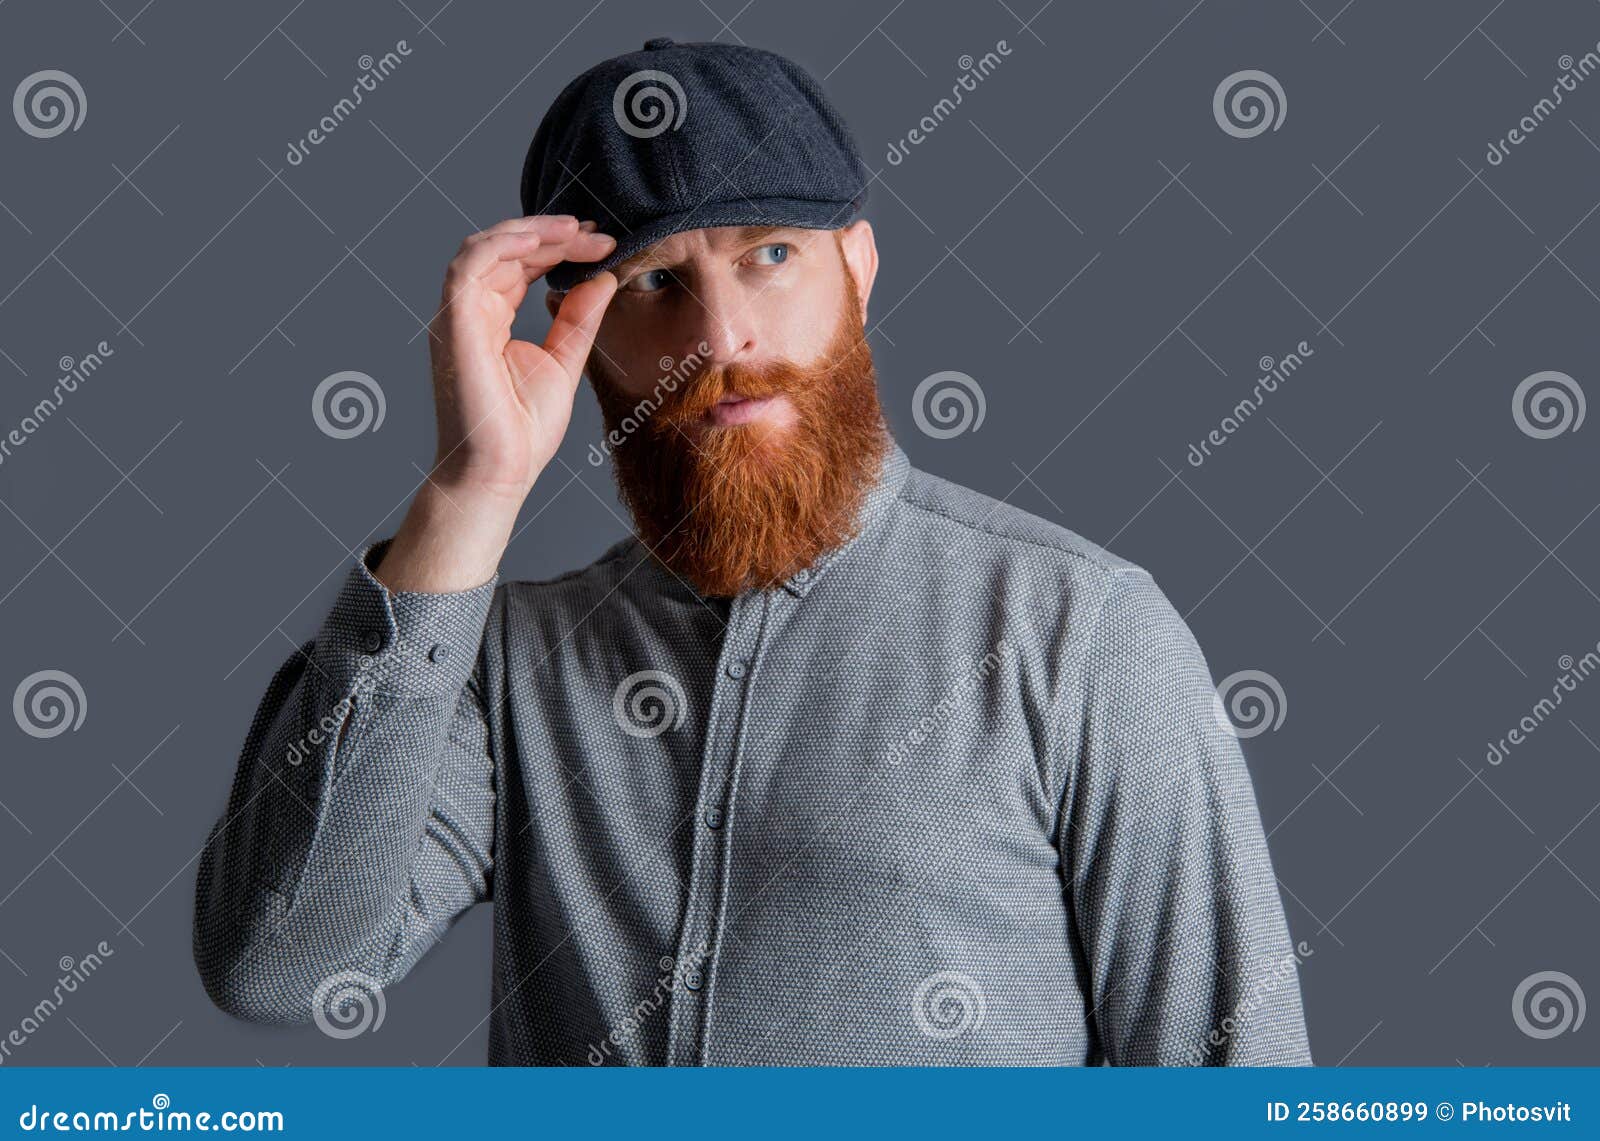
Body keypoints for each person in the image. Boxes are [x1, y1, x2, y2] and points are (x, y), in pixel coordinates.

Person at [193, 37, 1311, 1066]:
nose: (717, 338)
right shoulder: (508, 664)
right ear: (577, 337)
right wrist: (466, 492)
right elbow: (282, 966)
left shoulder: (1077, 633)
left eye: (769, 254)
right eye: (652, 283)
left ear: (858, 270)